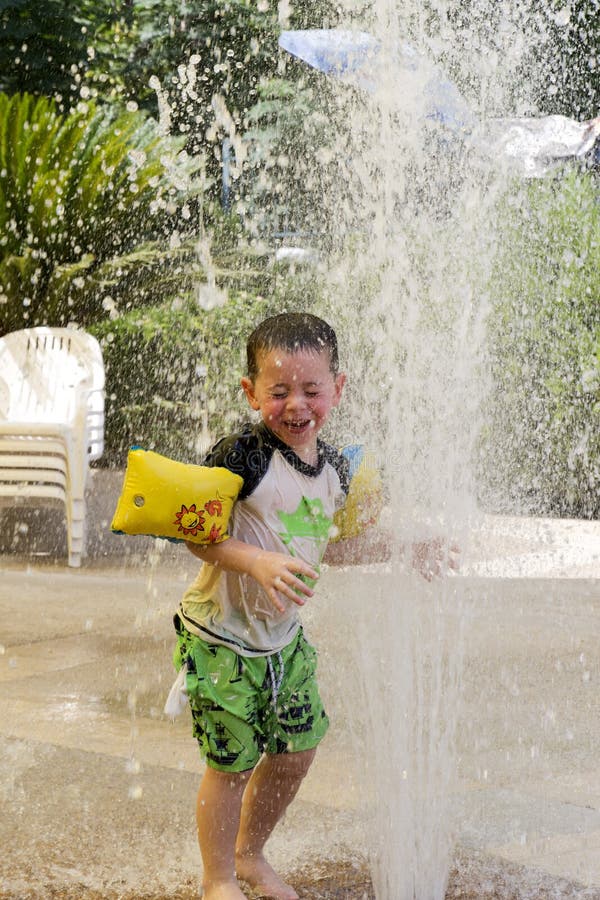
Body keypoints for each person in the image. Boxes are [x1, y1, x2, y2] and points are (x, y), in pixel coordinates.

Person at [171, 312, 454, 900]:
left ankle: (250, 854)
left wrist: (407, 548)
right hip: (220, 637)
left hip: (282, 640)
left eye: (311, 389)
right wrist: (256, 561)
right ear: (251, 393)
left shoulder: (336, 470)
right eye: (278, 392)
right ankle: (218, 876)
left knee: (298, 748)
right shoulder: (242, 457)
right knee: (231, 763)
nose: (296, 405)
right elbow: (197, 534)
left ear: (337, 389)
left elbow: (334, 547)